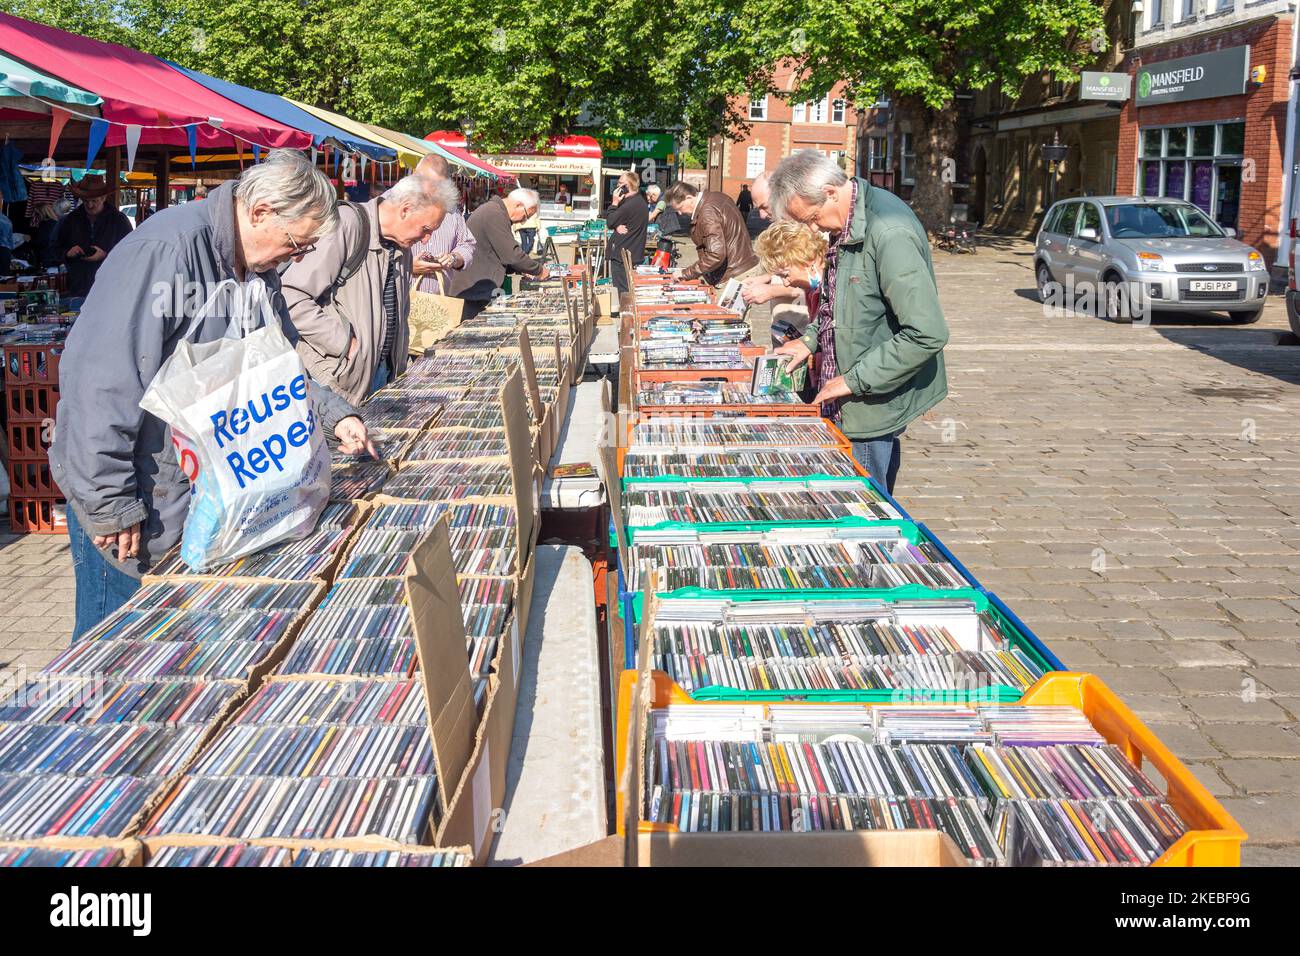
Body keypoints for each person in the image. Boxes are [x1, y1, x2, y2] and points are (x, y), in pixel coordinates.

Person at [49, 149, 377, 638]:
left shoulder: (259, 271)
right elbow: (99, 383)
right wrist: (110, 502)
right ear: (259, 211)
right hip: (138, 497)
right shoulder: (166, 250)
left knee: (172, 649)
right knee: (110, 653)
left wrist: (334, 414)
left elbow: (276, 367)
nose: (299, 257)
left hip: (199, 492)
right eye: (296, 242)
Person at [769, 149, 949, 494]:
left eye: (812, 217)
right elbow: (839, 300)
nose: (812, 229)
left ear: (831, 192)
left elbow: (927, 333)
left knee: (862, 507)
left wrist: (853, 380)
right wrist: (809, 341)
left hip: (868, 403)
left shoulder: (888, 230)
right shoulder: (848, 219)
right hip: (852, 394)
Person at [282, 173, 457, 403]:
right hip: (338, 381)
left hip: (379, 375)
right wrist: (345, 344)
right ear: (405, 209)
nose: (426, 239)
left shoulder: (402, 248)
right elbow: (292, 296)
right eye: (426, 229)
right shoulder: (346, 225)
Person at [662, 179, 770, 342]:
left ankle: (741, 364)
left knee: (727, 330)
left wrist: (686, 273)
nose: (680, 213)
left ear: (689, 198)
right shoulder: (716, 197)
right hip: (742, 267)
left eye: (680, 208)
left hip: (733, 274)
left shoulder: (706, 213)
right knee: (740, 325)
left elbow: (716, 254)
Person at [449, 187, 548, 320]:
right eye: (525, 216)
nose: (523, 221)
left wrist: (522, 269)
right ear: (519, 205)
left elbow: (500, 252)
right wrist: (538, 270)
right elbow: (512, 254)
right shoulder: (494, 213)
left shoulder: (495, 211)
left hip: (477, 287)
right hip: (472, 290)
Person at [750, 220, 828, 345]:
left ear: (802, 258)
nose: (786, 283)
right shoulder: (812, 290)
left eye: (786, 275)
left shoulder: (833, 281)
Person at [55, 175, 132, 298]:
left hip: (110, 288)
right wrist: (67, 253)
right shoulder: (70, 220)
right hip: (78, 288)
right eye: (86, 201)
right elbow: (54, 249)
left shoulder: (119, 220)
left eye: (94, 201)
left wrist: (106, 256)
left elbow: (131, 253)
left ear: (103, 198)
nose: (90, 205)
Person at [410, 153, 476, 295]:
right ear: (415, 175)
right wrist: (407, 266)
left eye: (436, 185)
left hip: (440, 301)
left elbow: (467, 244)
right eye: (424, 181)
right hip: (402, 302)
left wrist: (454, 258)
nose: (428, 188)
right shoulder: (396, 202)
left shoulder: (451, 210)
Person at [604, 170, 648, 299]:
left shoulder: (631, 204)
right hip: (628, 254)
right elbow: (617, 221)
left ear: (627, 186)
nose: (617, 186)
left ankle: (626, 316)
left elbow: (610, 221)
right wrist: (617, 225)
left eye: (620, 183)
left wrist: (614, 203)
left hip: (623, 257)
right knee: (625, 289)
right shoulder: (636, 201)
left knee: (623, 291)